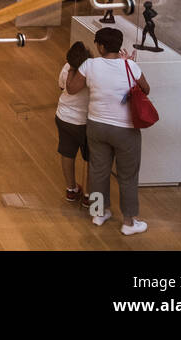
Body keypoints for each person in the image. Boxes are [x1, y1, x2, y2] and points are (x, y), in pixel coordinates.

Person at [66, 26, 150, 235]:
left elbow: (72, 89)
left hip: (96, 126)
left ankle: (98, 213)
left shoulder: (89, 65)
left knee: (98, 171)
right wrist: (130, 67)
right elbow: (146, 89)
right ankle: (129, 222)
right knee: (128, 175)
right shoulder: (129, 65)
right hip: (125, 129)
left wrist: (71, 67)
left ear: (101, 46)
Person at [56, 41, 91, 204]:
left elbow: (61, 86)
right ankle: (88, 195)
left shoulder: (66, 67)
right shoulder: (92, 70)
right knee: (92, 159)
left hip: (63, 117)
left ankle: (71, 189)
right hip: (85, 122)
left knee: (67, 153)